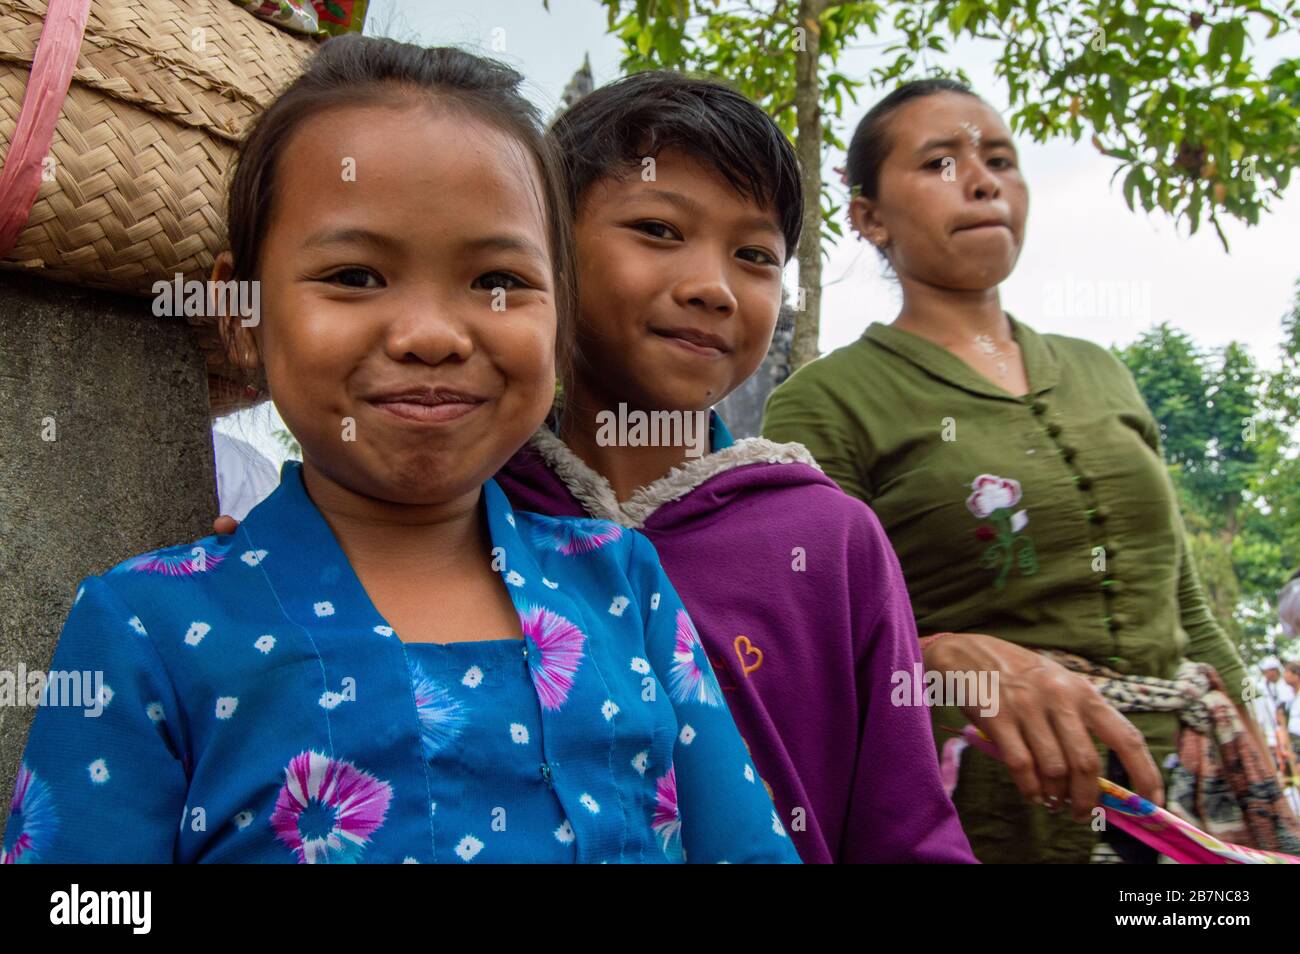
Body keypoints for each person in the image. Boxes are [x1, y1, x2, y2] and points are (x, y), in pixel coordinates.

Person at [1, 36, 796, 865]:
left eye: (498, 283)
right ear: (243, 314)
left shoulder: (623, 584)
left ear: (558, 319)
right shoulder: (148, 626)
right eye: (354, 276)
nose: (431, 335)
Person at [763, 78, 1296, 861]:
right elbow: (814, 643)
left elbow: (1184, 598)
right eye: (940, 162)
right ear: (868, 216)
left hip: (1195, 810)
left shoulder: (1100, 370)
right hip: (994, 808)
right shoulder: (827, 401)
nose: (983, 180)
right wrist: (942, 657)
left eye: (1002, 159)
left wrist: (1261, 765)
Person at [492, 72, 973, 863]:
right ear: (546, 249)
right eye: (657, 229)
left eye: (754, 255)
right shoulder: (461, 511)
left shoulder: (831, 541)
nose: (713, 287)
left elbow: (907, 829)